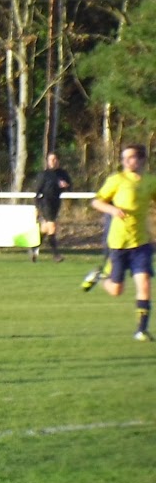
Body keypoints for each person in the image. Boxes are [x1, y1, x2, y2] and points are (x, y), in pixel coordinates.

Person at [87, 143, 154, 341]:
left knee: (144, 283)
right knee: (116, 290)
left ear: (142, 159)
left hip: (141, 243)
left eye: (130, 157)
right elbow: (96, 201)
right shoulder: (116, 180)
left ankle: (141, 330)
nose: (126, 161)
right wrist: (112, 209)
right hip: (118, 242)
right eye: (124, 157)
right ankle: (101, 277)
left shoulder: (151, 181)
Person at [31, 150, 72, 263]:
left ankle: (34, 247)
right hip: (45, 203)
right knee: (52, 227)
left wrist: (65, 186)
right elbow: (37, 191)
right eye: (50, 160)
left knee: (45, 229)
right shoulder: (44, 174)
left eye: (54, 159)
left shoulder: (63, 174)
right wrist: (36, 207)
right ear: (47, 161)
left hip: (56, 203)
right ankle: (56, 255)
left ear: (58, 161)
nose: (52, 162)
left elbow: (70, 187)